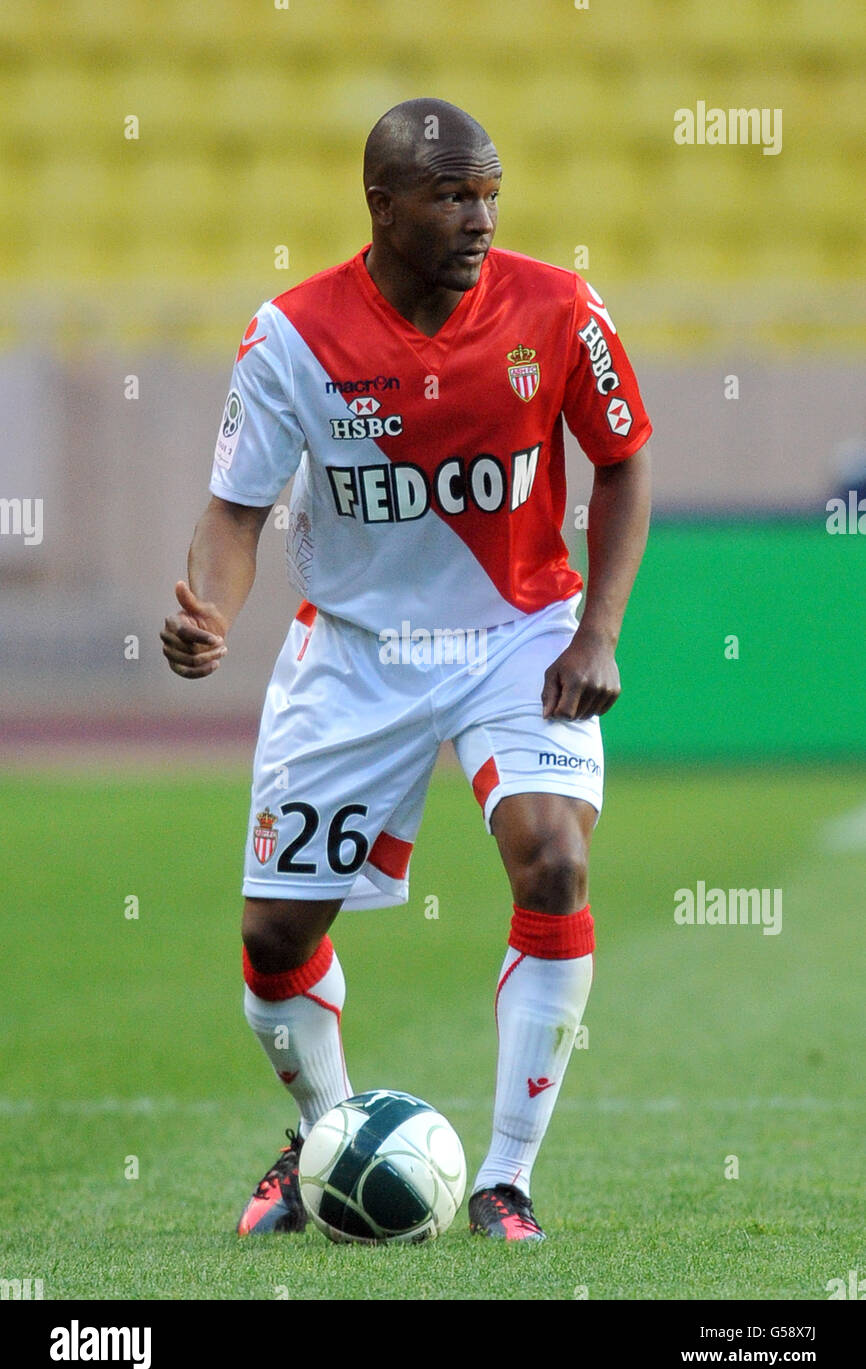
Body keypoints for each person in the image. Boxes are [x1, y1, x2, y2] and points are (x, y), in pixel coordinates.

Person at [161, 98, 652, 1242]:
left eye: (488, 193)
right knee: (275, 943)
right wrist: (210, 617)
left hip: (517, 634)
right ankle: (327, 1137)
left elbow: (622, 465)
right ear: (380, 206)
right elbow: (233, 514)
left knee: (554, 861)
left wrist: (598, 634)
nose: (478, 217)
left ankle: (505, 1182)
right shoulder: (291, 336)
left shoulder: (558, 307)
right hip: (355, 649)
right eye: (449, 196)